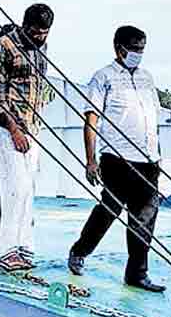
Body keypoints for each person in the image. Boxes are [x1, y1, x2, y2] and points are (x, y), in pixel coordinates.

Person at [68, 25, 166, 292]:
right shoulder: (103, 78)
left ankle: (136, 274)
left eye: (142, 50)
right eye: (134, 49)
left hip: (148, 161)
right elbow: (91, 120)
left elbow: (153, 119)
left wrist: (158, 156)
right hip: (116, 159)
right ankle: (80, 250)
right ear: (118, 48)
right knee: (109, 210)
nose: (138, 54)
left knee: (144, 218)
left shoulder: (147, 78)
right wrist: (90, 160)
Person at [0, 6, 54, 272]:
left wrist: (33, 128)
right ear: (24, 26)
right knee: (16, 187)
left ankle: (23, 246)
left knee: (28, 191)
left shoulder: (41, 49)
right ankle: (7, 251)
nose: (39, 38)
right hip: (6, 128)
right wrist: (15, 129)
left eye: (44, 34)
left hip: (32, 128)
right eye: (35, 33)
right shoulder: (3, 47)